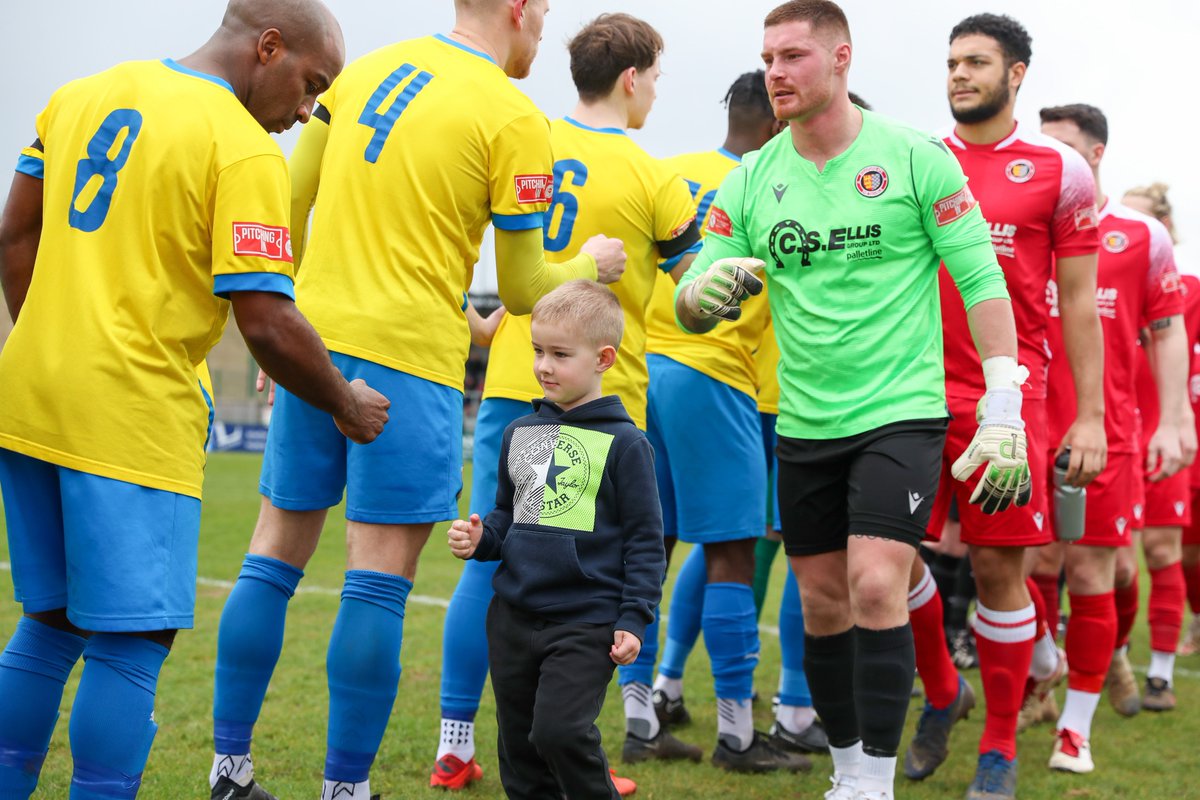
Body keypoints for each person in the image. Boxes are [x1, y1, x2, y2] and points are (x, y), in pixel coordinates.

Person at [207, 2, 626, 799]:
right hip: (409, 363)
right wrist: (591, 259)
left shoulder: (361, 73)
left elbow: (287, 212)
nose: (543, 29)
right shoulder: (511, 113)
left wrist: (283, 337)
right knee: (377, 577)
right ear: (518, 9)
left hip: (316, 342)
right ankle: (345, 789)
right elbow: (529, 286)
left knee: (270, 555)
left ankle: (230, 771)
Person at [0, 2, 388, 799]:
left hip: (29, 398)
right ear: (268, 47)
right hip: (130, 416)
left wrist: (54, 340)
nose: (308, 109)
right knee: (132, 642)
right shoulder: (241, 146)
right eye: (311, 85)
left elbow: (14, 237)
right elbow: (269, 322)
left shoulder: (82, 94)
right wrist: (346, 404)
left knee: (51, 623)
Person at [674, 3, 1024, 797]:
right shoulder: (753, 178)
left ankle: (875, 783)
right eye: (767, 58)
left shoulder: (914, 158)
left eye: (793, 55)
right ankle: (847, 771)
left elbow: (979, 277)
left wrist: (1004, 397)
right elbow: (692, 292)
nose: (776, 72)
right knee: (823, 603)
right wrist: (706, 296)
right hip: (804, 421)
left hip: (900, 411)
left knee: (875, 583)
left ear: (841, 60)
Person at [432, 13, 700, 793]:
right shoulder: (654, 177)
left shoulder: (529, 137)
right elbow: (699, 295)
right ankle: (578, 740)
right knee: (591, 563)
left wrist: (482, 319)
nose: (654, 90)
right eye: (655, 76)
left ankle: (456, 740)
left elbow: (468, 238)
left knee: (495, 555)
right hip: (592, 403)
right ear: (633, 77)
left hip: (519, 381)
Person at [903, 15, 1105, 798]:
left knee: (995, 569)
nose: (958, 75)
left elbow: (1080, 306)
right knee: (888, 564)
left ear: (1016, 73)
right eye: (951, 61)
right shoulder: (917, 160)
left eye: (976, 62)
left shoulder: (1060, 170)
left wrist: (1087, 416)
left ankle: (997, 749)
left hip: (1009, 405)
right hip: (913, 392)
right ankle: (945, 694)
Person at [627, 70, 818, 772]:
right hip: (717, 377)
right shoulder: (778, 187)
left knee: (651, 547)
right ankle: (739, 735)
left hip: (644, 373)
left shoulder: (668, 172)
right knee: (734, 552)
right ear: (775, 123)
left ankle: (640, 714)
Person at [447, 279, 666, 800]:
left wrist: (634, 616)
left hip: (585, 622)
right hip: (513, 618)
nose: (544, 365)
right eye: (538, 351)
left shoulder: (628, 444)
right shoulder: (520, 432)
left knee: (559, 732)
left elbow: (644, 541)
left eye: (560, 354)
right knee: (520, 750)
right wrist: (482, 538)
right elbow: (509, 516)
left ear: (603, 358)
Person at [1035, 103, 1188, 771]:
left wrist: (1174, 420)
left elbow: (1168, 330)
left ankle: (1078, 726)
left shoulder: (1140, 235)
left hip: (1108, 432)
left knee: (1108, 569)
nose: (1045, 160)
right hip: (1026, 425)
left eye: (1061, 148)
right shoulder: (1021, 225)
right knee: (1032, 566)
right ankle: (1044, 668)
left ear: (1094, 154)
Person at [1123, 184, 1200, 659]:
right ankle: (1115, 651)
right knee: (1118, 561)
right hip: (1124, 435)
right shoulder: (1100, 284)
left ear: (1165, 229)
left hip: (1179, 434)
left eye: (1144, 222)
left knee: (1181, 550)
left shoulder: (1190, 293)